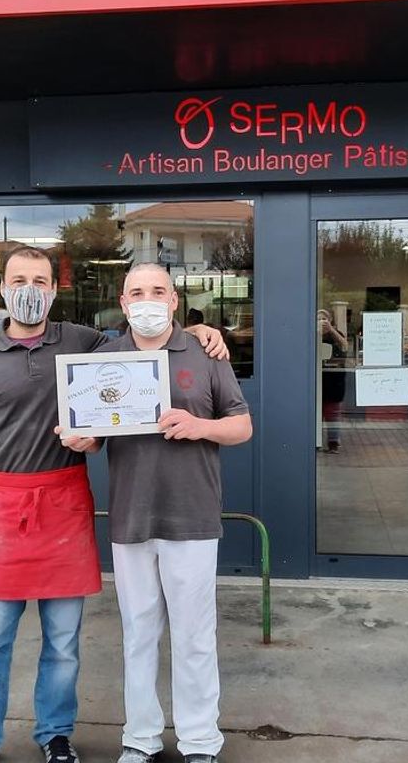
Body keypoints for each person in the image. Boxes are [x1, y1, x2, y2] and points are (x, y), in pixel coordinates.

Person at [0, 247, 228, 763]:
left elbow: (148, 341)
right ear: (3, 287)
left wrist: (203, 330)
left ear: (55, 290)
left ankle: (55, 736)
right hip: (3, 505)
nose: (29, 289)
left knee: (63, 643)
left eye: (39, 279)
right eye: (19, 279)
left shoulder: (84, 342)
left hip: (64, 500)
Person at [93, 263, 253, 763]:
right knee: (138, 634)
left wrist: (199, 426)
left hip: (192, 514)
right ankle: (139, 739)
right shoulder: (105, 357)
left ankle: (200, 741)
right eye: (136, 292)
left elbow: (242, 426)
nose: (147, 300)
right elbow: (94, 431)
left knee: (194, 635)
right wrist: (81, 438)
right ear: (122, 303)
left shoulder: (205, 353)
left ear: (174, 300)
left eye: (157, 291)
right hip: (131, 515)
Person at [317, 308, 348, 454]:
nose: (321, 322)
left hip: (333, 381)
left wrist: (332, 330)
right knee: (314, 413)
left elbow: (345, 346)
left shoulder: (335, 334)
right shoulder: (311, 334)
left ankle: (333, 442)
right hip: (316, 381)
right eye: (318, 319)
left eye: (324, 319)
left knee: (332, 413)